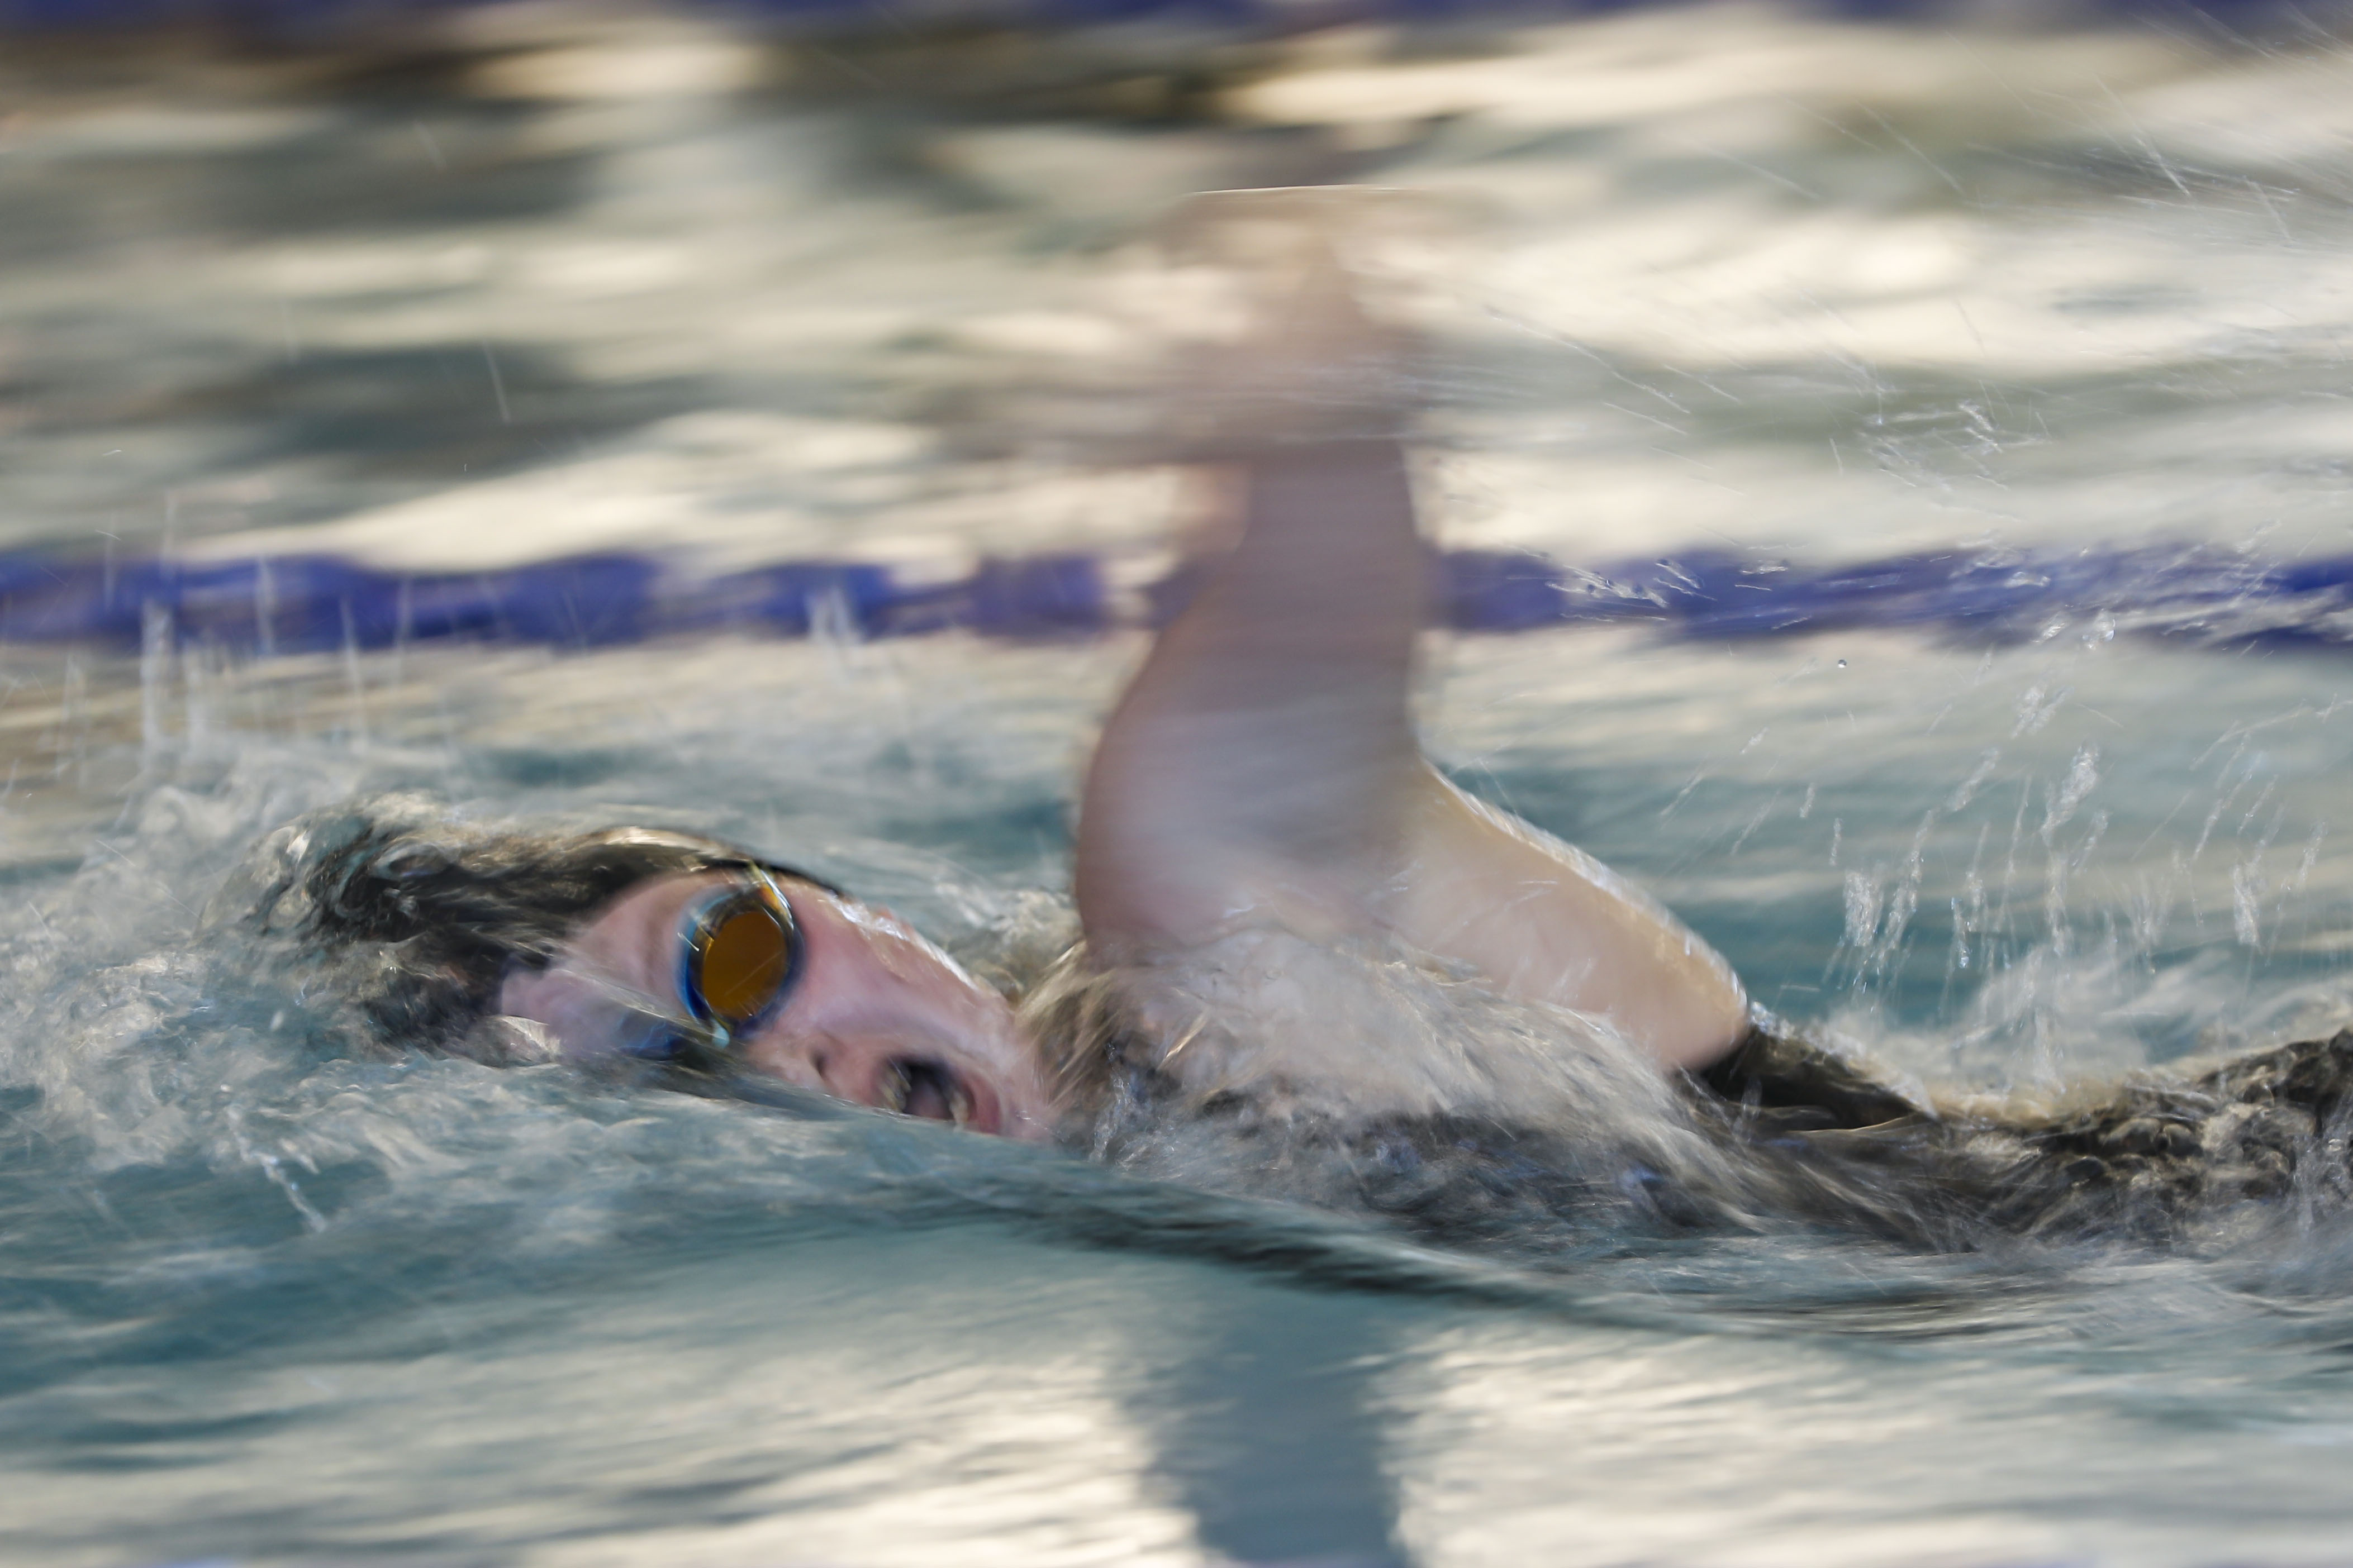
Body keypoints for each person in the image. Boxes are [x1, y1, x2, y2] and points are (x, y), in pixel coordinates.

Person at [239, 208, 2353, 1250]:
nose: (775, 1057)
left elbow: (1330, 528)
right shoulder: (1119, 1153)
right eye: (667, 1083)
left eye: (723, 959)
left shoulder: (1185, 928)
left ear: (829, 901)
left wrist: (1231, 384)